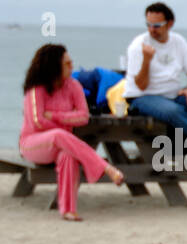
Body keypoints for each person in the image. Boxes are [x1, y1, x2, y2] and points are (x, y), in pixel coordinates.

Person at [20, 44, 125, 222]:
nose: (72, 66)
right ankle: (105, 167)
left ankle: (68, 210)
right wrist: (66, 121)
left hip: (62, 143)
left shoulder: (74, 86)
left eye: (71, 62)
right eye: (67, 63)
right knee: (59, 135)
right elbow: (38, 122)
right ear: (53, 66)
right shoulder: (36, 89)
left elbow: (83, 116)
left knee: (67, 155)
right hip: (34, 144)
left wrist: (54, 115)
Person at [124, 1, 187, 159]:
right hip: (143, 98)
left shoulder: (178, 42)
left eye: (157, 25)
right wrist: (146, 60)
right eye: (149, 25)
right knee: (173, 110)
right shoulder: (138, 46)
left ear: (169, 24)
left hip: (172, 97)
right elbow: (141, 85)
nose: (152, 30)